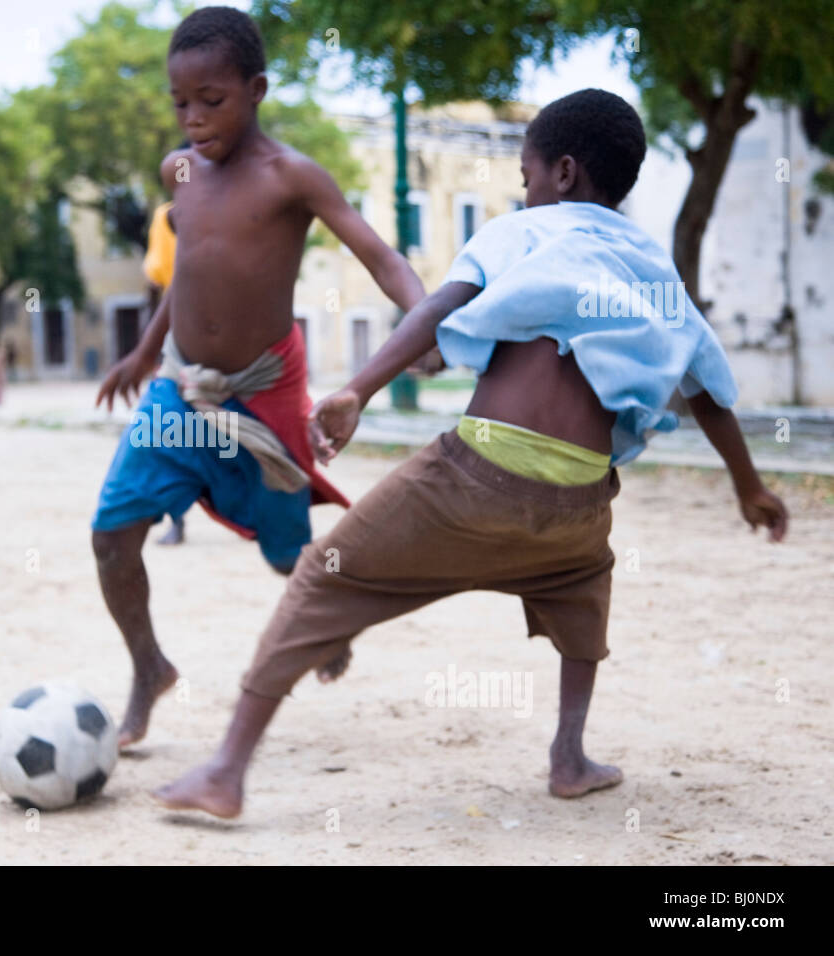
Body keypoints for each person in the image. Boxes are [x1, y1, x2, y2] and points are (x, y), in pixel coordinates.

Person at [153, 88, 789, 817]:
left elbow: (436, 310)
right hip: (578, 495)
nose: (523, 190)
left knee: (319, 577)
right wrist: (749, 487)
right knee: (584, 584)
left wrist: (358, 388)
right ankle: (569, 757)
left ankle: (227, 771)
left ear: (563, 174)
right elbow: (708, 388)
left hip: (475, 475)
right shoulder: (651, 266)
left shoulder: (522, 232)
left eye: (524, 175)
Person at [91, 6, 426, 748]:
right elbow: (193, 270)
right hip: (182, 389)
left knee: (286, 554)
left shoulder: (291, 178)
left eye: (212, 101)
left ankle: (329, 621)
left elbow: (379, 255)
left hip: (264, 395)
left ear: (257, 89)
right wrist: (147, 352)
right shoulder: (179, 172)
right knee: (112, 536)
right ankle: (149, 667)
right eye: (180, 103)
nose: (194, 119)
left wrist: (424, 316)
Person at [143, 199, 187, 545]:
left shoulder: (165, 213)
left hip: (184, 331)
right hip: (236, 330)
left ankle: (178, 520)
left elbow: (156, 272)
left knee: (171, 427)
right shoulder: (232, 201)